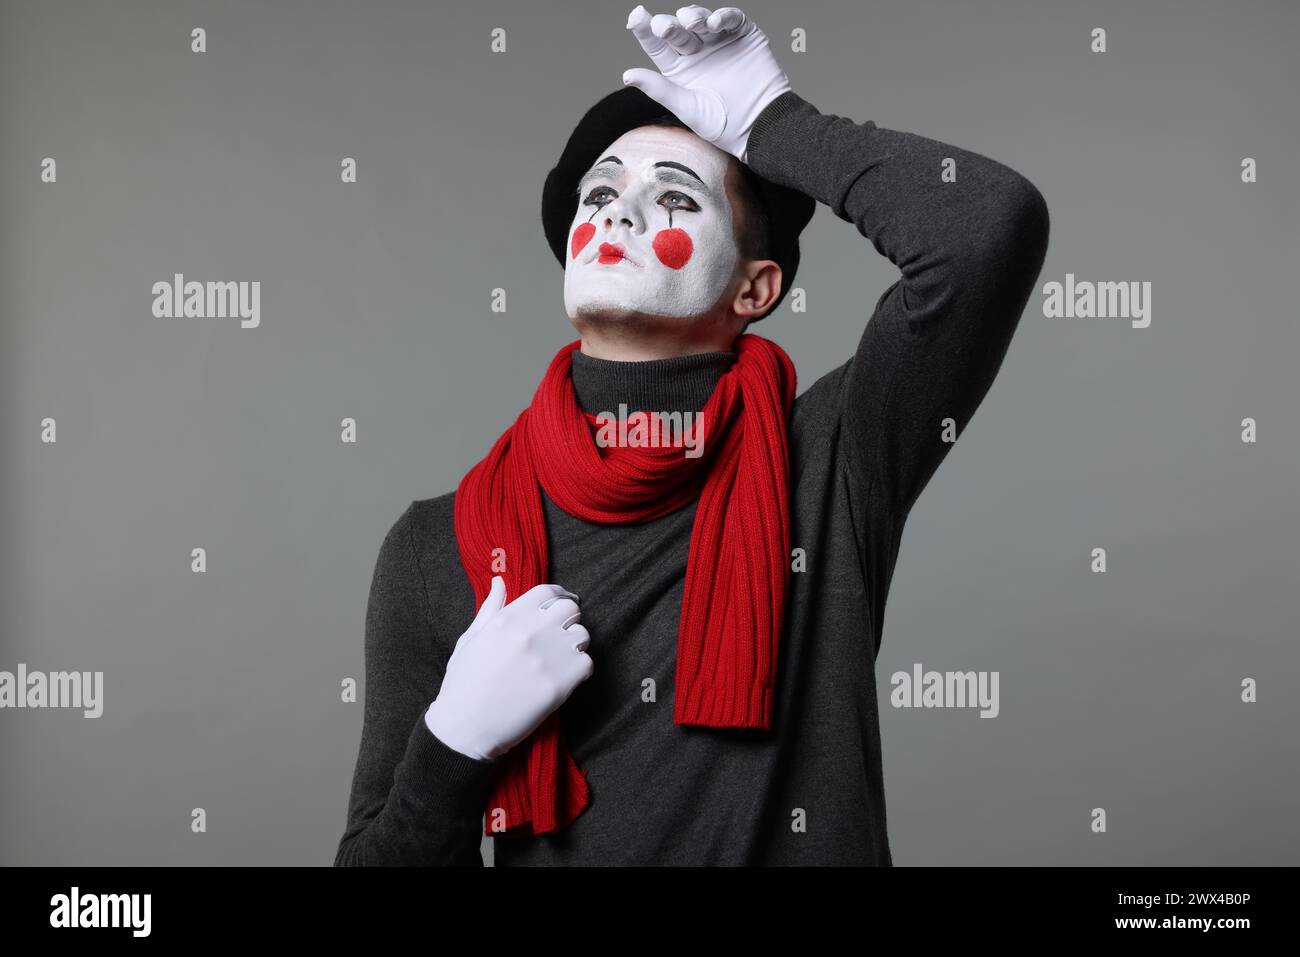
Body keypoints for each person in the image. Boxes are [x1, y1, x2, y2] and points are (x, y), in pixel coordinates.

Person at [335, 4, 1049, 866]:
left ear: (754, 289)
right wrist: (451, 746)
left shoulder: (832, 456)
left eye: (674, 195)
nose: (618, 212)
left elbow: (986, 225)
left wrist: (771, 120)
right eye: (600, 192)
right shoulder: (436, 547)